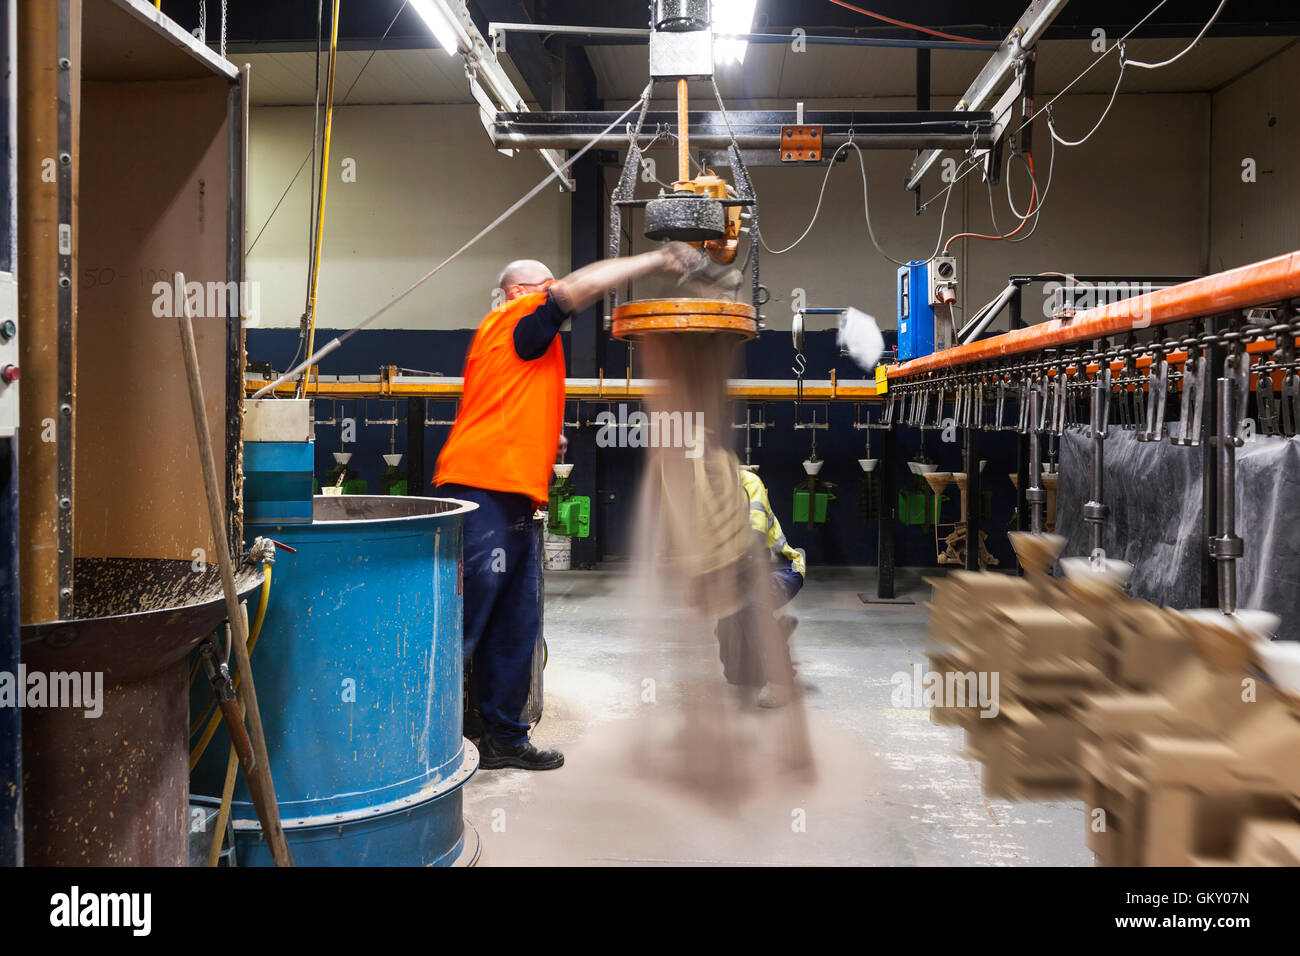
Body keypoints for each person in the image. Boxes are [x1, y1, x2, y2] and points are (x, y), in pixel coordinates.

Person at [435, 244, 703, 770]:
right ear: (517, 292)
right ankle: (419, 741)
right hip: (480, 494)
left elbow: (505, 403)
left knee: (515, 625)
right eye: (544, 285)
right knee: (462, 625)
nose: (553, 292)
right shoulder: (515, 316)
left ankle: (501, 739)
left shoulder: (521, 342)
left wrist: (545, 439)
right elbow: (571, 291)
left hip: (511, 495)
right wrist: (657, 260)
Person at [715, 462, 807, 708]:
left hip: (782, 568)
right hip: (744, 572)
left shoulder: (749, 484)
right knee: (736, 675)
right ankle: (777, 630)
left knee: (751, 606)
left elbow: (755, 540)